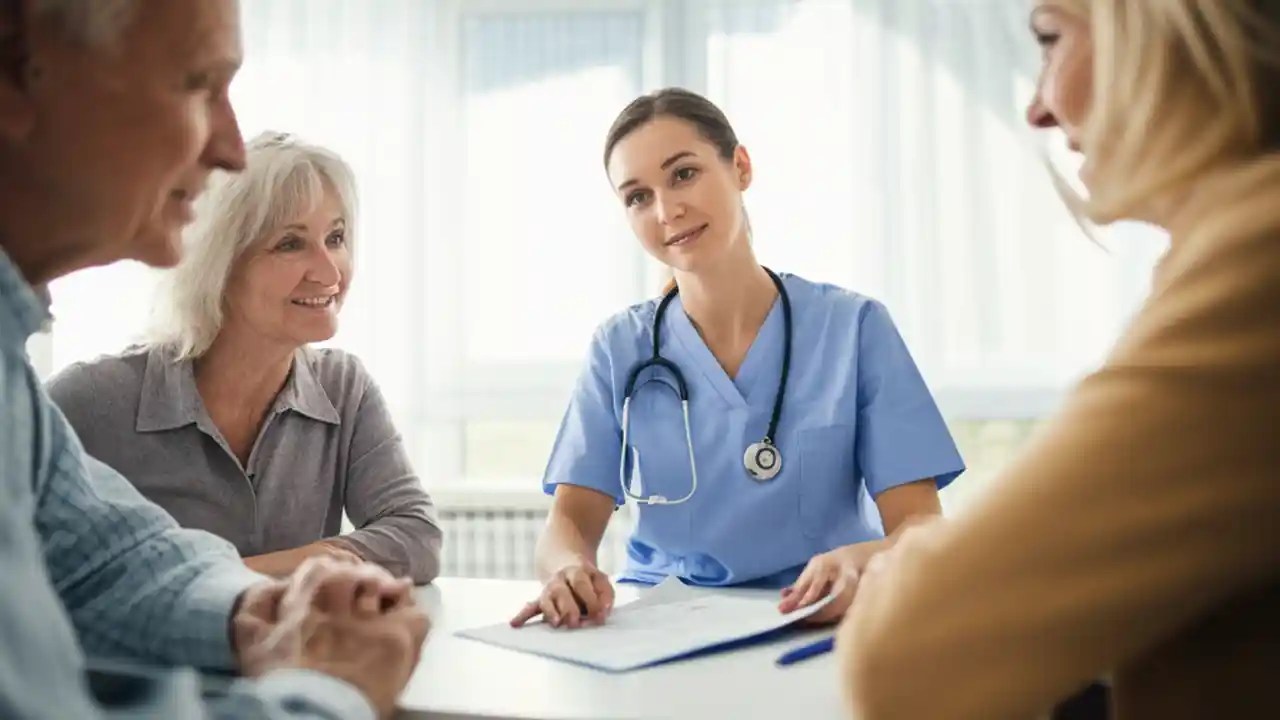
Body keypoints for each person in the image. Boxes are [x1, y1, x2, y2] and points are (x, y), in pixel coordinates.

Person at [838, 1, 1280, 718]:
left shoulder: (1259, 256)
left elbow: (914, 654)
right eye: (634, 193)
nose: (1039, 108)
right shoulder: (1213, 254)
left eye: (1050, 40)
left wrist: (916, 566)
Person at [0, 1, 428, 718]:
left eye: (337, 237)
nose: (230, 148)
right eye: (199, 83)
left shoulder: (14, 389)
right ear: (14, 73)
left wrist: (260, 611)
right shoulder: (85, 396)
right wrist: (331, 693)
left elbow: (108, 562)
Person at [512, 87, 966, 630]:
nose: (666, 210)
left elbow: (921, 527)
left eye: (683, 174)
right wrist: (566, 569)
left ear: (741, 167)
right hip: (660, 629)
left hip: (818, 616)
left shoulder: (854, 329)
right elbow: (569, 522)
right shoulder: (620, 347)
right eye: (637, 196)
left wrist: (863, 559)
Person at [47, 131, 443, 582]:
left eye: (335, 237)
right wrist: (283, 570)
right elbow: (37, 576)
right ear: (219, 265)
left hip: (292, 655)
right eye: (290, 244)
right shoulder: (90, 402)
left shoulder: (343, 387)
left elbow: (417, 537)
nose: (330, 272)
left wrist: (306, 560)